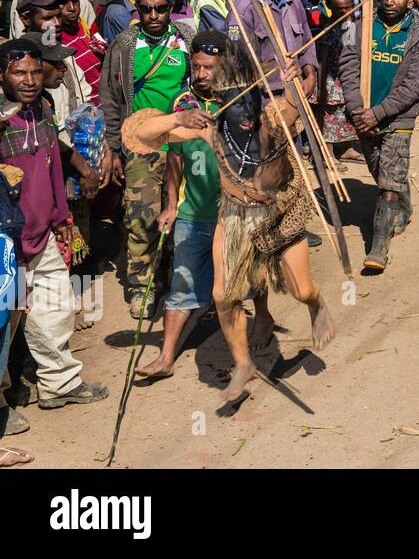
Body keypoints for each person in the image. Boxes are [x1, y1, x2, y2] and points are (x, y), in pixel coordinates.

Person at [121, 41, 336, 403]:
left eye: (248, 102)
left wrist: (294, 83)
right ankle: (242, 363)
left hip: (277, 214)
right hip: (234, 215)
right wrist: (177, 119)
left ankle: (317, 306)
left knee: (301, 290)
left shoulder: (273, 118)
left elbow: (297, 99)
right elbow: (139, 136)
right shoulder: (210, 128)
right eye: (234, 105)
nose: (243, 114)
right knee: (223, 295)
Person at [0, 37, 108, 416]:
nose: (28, 79)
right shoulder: (0, 121)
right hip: (6, 244)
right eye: (18, 72)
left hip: (44, 233)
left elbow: (51, 167)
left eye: (33, 71)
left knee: (56, 307)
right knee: (3, 324)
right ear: (2, 76)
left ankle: (58, 383)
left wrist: (62, 217)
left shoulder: (43, 110)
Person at [135, 31, 228, 380]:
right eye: (198, 66)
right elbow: (174, 158)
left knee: (232, 287)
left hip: (230, 214)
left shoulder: (239, 99)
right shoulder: (181, 104)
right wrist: (171, 204)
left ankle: (246, 346)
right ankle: (166, 357)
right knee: (180, 286)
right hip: (191, 213)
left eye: (210, 67)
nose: (202, 73)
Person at [101, 0, 195, 319]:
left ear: (172, 8)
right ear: (137, 11)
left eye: (161, 8)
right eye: (146, 10)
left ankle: (177, 278)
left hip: (181, 140)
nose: (154, 15)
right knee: (141, 212)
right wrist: (113, 146)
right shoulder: (125, 44)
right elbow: (110, 97)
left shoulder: (185, 38)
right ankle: (143, 286)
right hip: (140, 143)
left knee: (183, 211)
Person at [339, 0, 419, 273]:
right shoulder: (362, 26)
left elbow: (415, 84)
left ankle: (378, 247)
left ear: (410, 0)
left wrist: (379, 112)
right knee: (381, 170)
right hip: (363, 114)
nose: (390, 2)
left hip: (397, 116)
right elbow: (348, 67)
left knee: (387, 185)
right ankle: (402, 204)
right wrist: (357, 109)